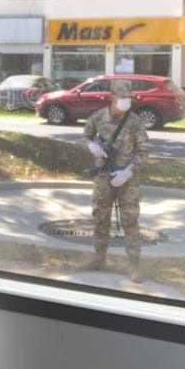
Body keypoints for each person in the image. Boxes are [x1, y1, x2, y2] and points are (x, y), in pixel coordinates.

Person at [81, 79, 149, 283]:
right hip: (103, 177)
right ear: (112, 97)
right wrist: (91, 146)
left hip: (127, 180)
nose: (126, 101)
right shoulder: (99, 117)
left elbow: (144, 151)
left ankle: (134, 266)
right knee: (101, 219)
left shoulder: (135, 121)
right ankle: (99, 259)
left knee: (130, 221)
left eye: (129, 97)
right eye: (122, 97)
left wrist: (128, 171)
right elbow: (86, 135)